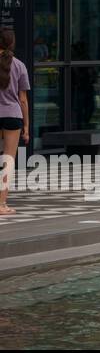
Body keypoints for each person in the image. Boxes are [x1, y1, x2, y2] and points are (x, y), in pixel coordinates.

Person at [0, 29, 31, 215]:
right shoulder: (19, 65)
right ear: (11, 44)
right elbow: (23, 99)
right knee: (8, 160)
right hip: (12, 115)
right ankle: (2, 204)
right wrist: (26, 126)